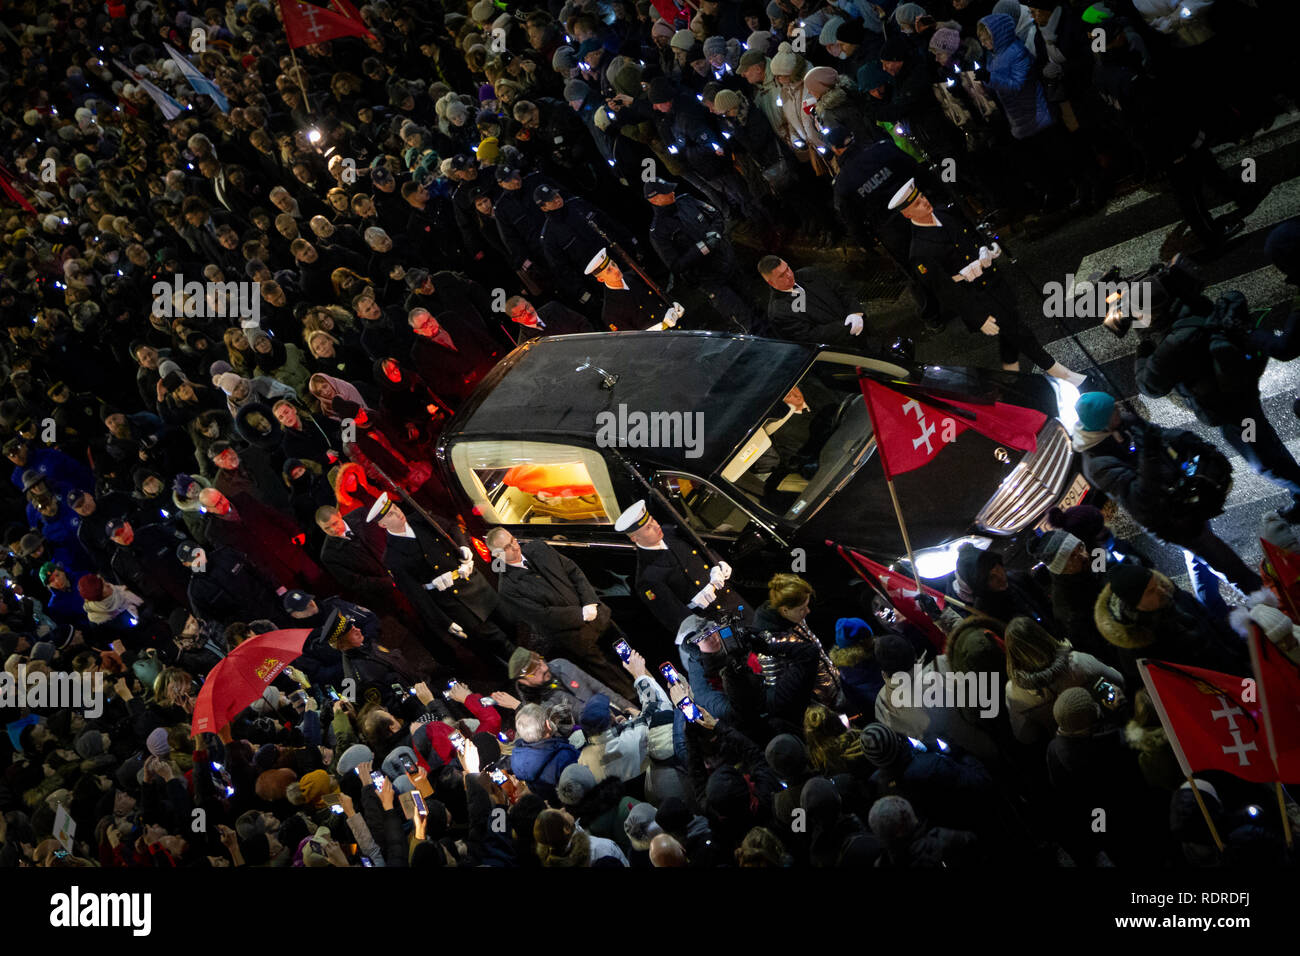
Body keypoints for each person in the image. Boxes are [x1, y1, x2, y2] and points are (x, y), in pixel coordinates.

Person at [887, 179, 1085, 383]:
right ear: (907, 214)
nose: (924, 202)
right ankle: (1059, 372)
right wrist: (977, 317)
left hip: (992, 280)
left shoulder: (944, 213)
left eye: (922, 197)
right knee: (1017, 330)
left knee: (1012, 325)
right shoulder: (920, 251)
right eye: (917, 204)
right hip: (976, 296)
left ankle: (1010, 373)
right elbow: (946, 291)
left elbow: (971, 234)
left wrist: (986, 247)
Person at [1071, 391, 1261, 594]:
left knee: (1203, 554)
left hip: (1181, 499)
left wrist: (1184, 439)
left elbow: (1157, 434)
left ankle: (1214, 606)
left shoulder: (1121, 423)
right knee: (1221, 559)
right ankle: (1259, 594)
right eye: (1112, 411)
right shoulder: (1098, 465)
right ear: (1103, 422)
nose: (1118, 409)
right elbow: (1140, 497)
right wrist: (1148, 453)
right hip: (1167, 519)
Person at [366, 493, 516, 669]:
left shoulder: (421, 519)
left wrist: (463, 546)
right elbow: (417, 596)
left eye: (395, 508)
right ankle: (526, 670)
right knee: (496, 639)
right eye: (390, 514)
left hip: (470, 580)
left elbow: (451, 527)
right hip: (454, 601)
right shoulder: (392, 557)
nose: (398, 513)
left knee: (508, 621)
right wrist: (444, 622)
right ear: (382, 525)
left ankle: (523, 661)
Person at [486, 526, 634, 698]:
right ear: (498, 555)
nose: (515, 547)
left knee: (629, 654)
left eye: (513, 540)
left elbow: (573, 570)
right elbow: (542, 617)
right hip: (575, 637)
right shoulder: (507, 588)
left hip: (599, 615)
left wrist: (590, 602)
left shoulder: (538, 547)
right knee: (614, 676)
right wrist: (581, 614)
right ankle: (637, 704)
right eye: (506, 548)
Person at [614, 499, 748, 636]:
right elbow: (678, 619)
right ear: (635, 538)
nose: (656, 526)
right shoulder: (647, 577)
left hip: (733, 601)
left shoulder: (671, 532)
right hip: (715, 624)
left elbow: (702, 547)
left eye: (653, 520)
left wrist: (718, 562)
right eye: (648, 528)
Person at [757, 256, 869, 348]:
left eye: (787, 268)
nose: (789, 275)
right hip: (845, 350)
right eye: (782, 275)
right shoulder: (779, 312)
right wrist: (848, 325)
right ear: (771, 283)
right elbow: (811, 336)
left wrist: (855, 313)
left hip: (866, 330)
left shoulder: (809, 273)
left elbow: (841, 291)